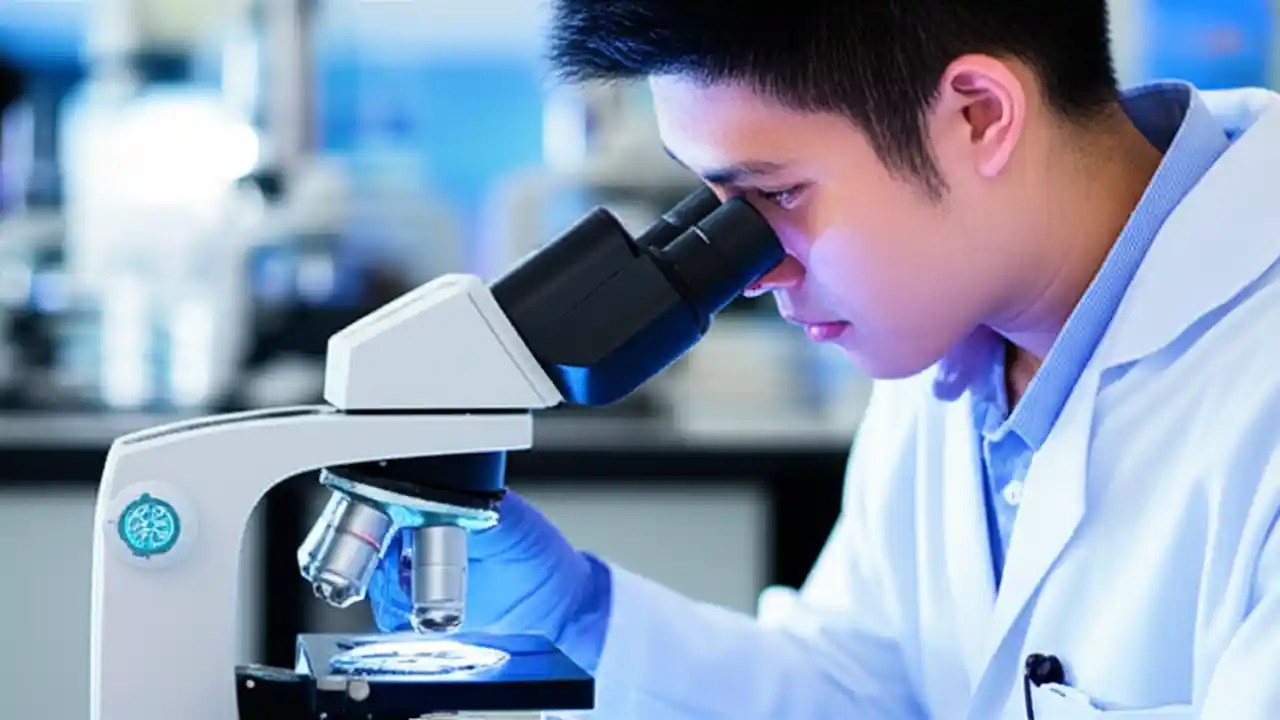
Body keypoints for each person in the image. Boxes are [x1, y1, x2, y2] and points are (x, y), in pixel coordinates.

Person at [371, 2, 1280, 717]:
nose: (753, 272)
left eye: (776, 193)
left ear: (978, 114)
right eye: (716, 202)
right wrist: (581, 620)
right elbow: (867, 688)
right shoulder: (948, 339)